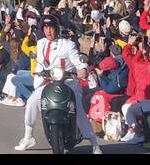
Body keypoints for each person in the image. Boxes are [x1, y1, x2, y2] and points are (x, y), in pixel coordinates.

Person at [14, 18, 101, 154]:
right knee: (31, 102)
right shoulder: (41, 43)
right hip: (48, 81)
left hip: (68, 81)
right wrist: (39, 72)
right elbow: (40, 63)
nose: (48, 31)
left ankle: (94, 143)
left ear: (57, 28)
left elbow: (77, 60)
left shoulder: (68, 44)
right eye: (46, 27)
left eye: (51, 27)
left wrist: (82, 68)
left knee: (76, 106)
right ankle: (28, 137)